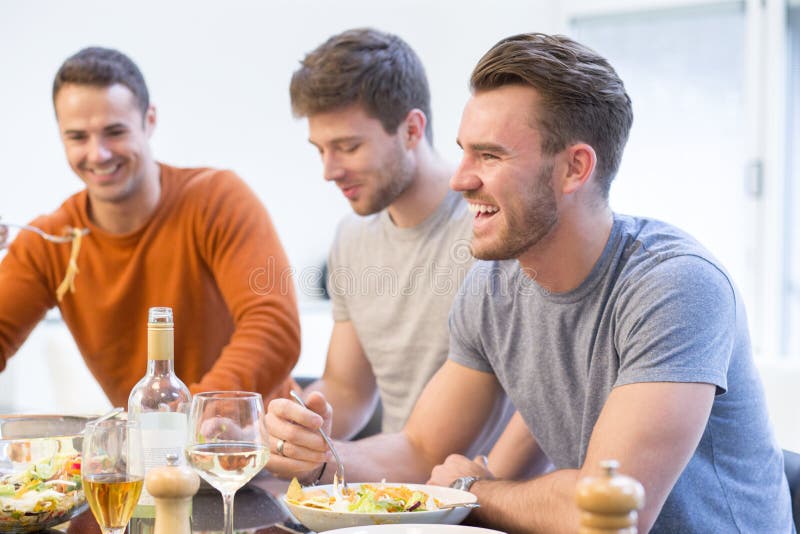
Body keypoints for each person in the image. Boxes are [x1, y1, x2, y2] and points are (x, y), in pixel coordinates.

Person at [264, 33, 794, 533]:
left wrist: (475, 491)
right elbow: (423, 449)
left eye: (490, 155)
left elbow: (610, 510)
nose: (459, 177)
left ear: (574, 169)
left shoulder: (675, 286)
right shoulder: (492, 287)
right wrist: (325, 458)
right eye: (464, 150)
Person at [0, 47, 301, 407]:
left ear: (150, 119)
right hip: (152, 454)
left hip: (257, 444)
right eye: (78, 137)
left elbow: (274, 327)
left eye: (114, 131)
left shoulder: (217, 200)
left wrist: (189, 416)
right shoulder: (52, 242)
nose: (98, 154)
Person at [284, 28, 514, 458]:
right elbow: (349, 390)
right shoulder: (351, 238)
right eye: (320, 150)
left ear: (411, 130)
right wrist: (301, 421)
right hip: (394, 491)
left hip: (489, 500)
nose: (329, 171)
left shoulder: (495, 229)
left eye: (348, 147)